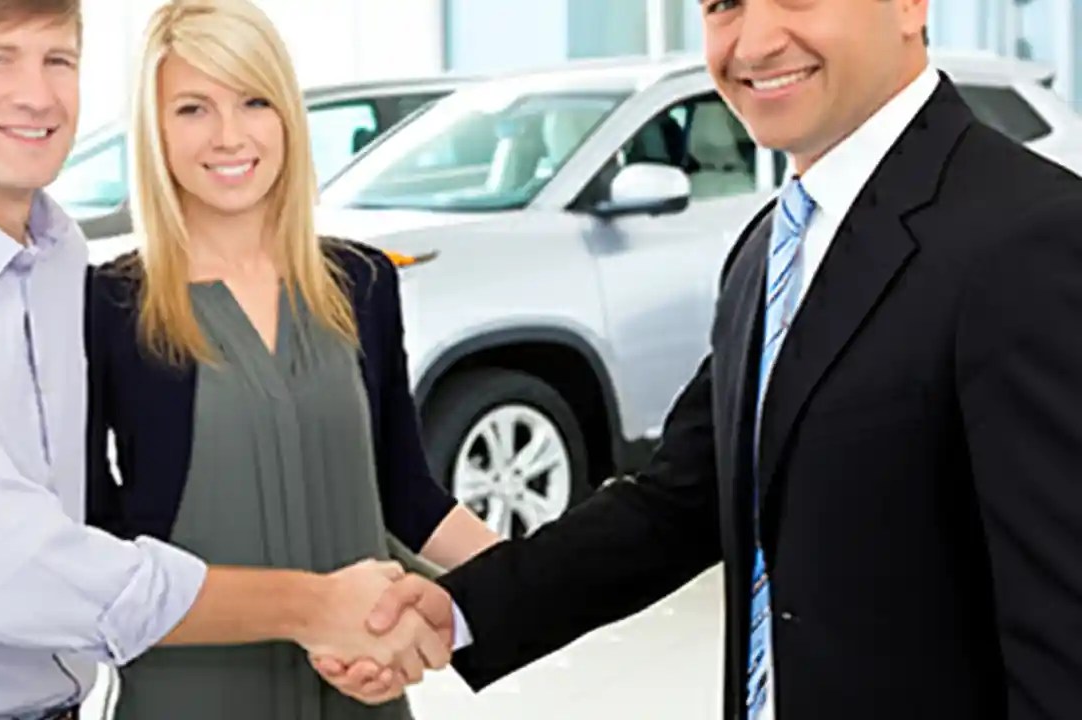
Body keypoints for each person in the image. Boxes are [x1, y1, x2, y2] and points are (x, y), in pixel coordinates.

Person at [317, 0, 1082, 718]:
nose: (754, 43)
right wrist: (459, 609)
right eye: (722, 4)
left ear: (912, 5)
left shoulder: (1033, 237)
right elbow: (681, 501)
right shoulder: (771, 245)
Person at [0, 2, 450, 719]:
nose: (37, 94)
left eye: (58, 60)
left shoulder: (56, 257)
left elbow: (403, 489)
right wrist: (315, 605)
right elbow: (17, 576)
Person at [85, 0, 501, 718]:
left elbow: (408, 495)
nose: (230, 135)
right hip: (190, 697)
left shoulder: (362, 283)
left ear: (287, 115)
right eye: (193, 109)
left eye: (254, 101)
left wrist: (540, 578)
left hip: (362, 691)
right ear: (154, 130)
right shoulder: (110, 306)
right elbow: (99, 548)